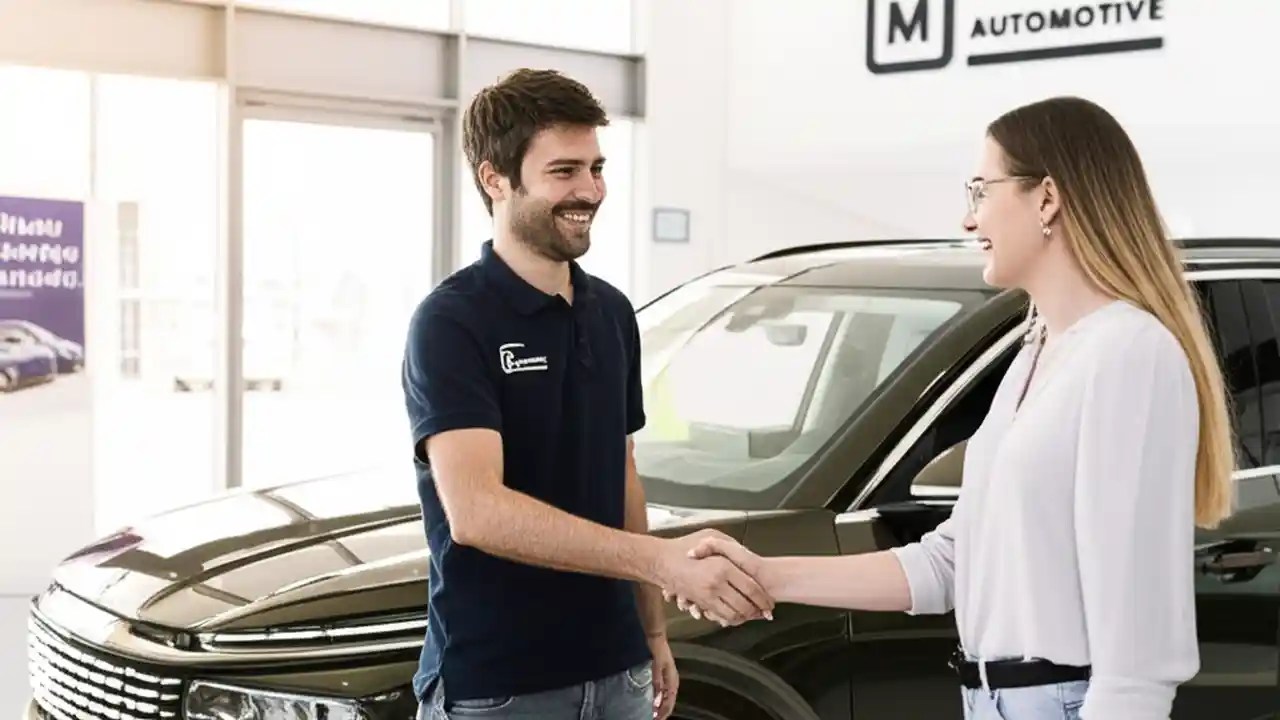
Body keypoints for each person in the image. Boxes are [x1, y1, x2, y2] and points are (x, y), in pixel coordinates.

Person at [669, 96, 1236, 720]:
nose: (969, 220)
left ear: (1046, 198)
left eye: (980, 190)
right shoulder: (1036, 353)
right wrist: (766, 576)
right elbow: (950, 563)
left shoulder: (1129, 355)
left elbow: (1138, 662)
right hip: (993, 700)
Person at [401, 68, 774, 720]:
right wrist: (660, 562)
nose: (591, 190)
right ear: (496, 179)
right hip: (499, 685)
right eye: (564, 171)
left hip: (618, 670)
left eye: (596, 168)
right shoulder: (451, 322)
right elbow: (478, 512)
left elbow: (621, 471)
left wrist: (651, 630)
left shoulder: (611, 313)